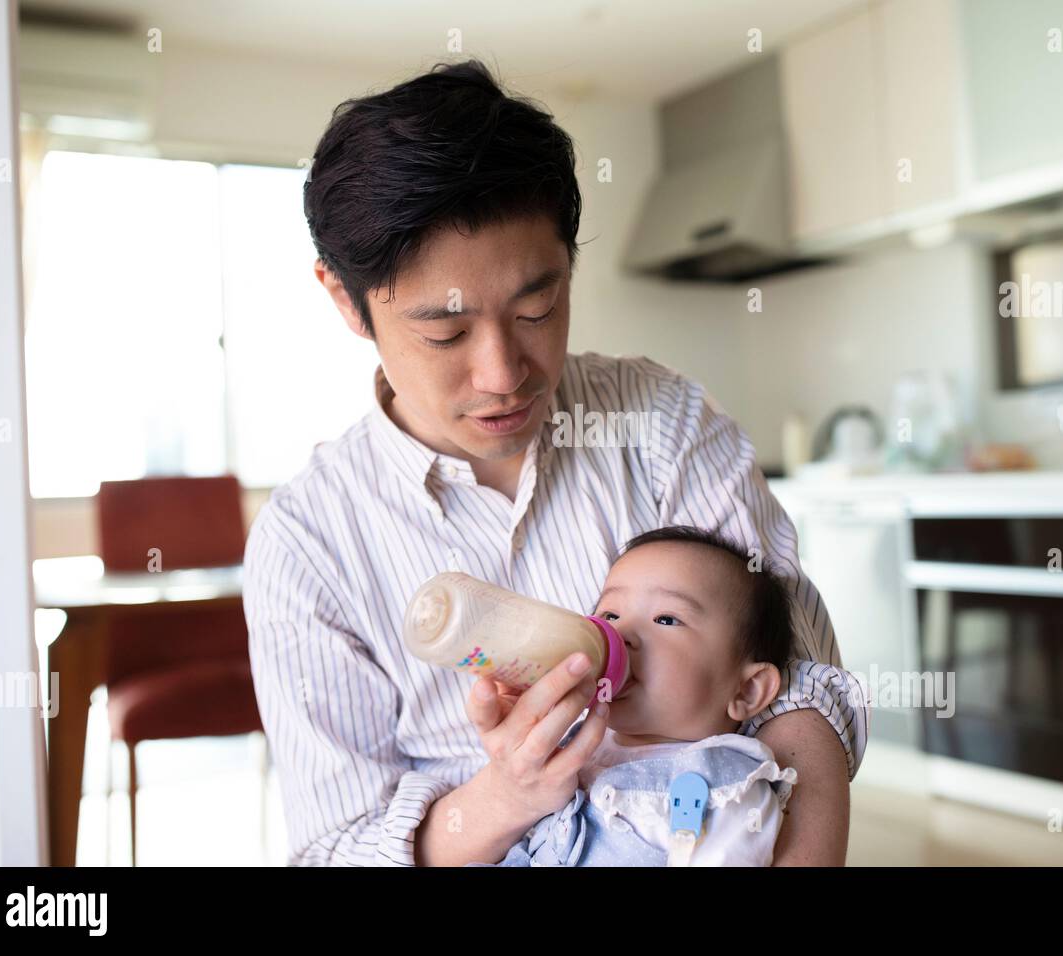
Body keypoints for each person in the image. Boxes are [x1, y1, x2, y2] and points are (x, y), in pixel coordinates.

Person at [242, 58, 869, 867]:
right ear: (343, 300)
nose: (504, 374)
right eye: (445, 334)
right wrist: (504, 799)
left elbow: (804, 685)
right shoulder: (308, 545)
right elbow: (333, 852)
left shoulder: (659, 423)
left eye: (538, 307)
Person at [476, 525, 802, 867]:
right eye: (610, 615)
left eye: (666, 619)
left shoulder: (724, 789)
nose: (620, 634)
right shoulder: (572, 748)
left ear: (746, 690)